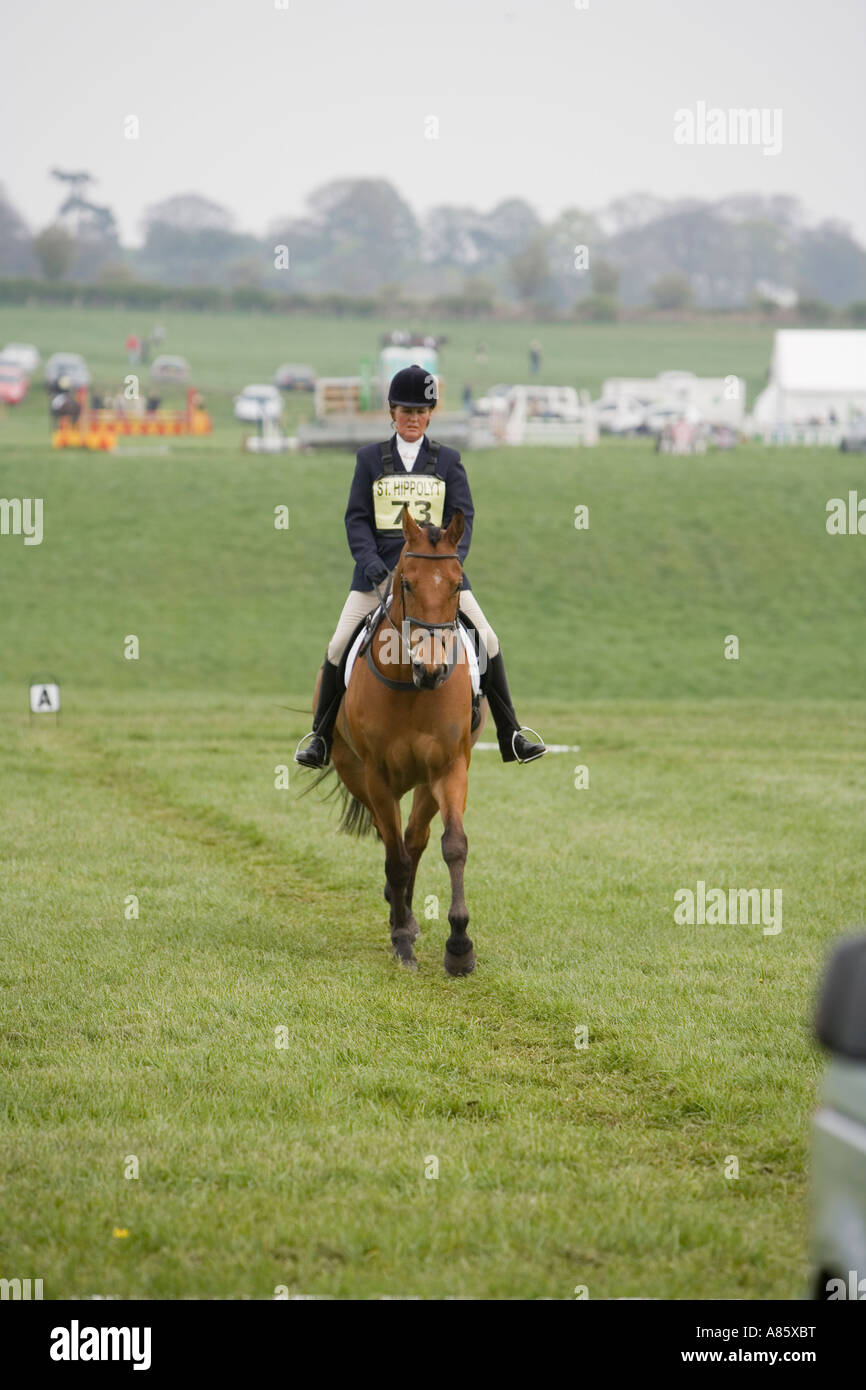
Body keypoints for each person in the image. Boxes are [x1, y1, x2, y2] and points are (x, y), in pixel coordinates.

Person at [294, 365, 546, 769]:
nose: (413, 418)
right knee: (339, 645)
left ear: (430, 415)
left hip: (437, 578)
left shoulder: (447, 461)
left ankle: (510, 733)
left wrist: (448, 567)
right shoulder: (369, 460)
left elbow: (464, 516)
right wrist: (372, 564)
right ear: (392, 412)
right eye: (405, 410)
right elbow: (356, 519)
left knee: (489, 639)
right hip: (377, 578)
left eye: (420, 411)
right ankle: (320, 738)